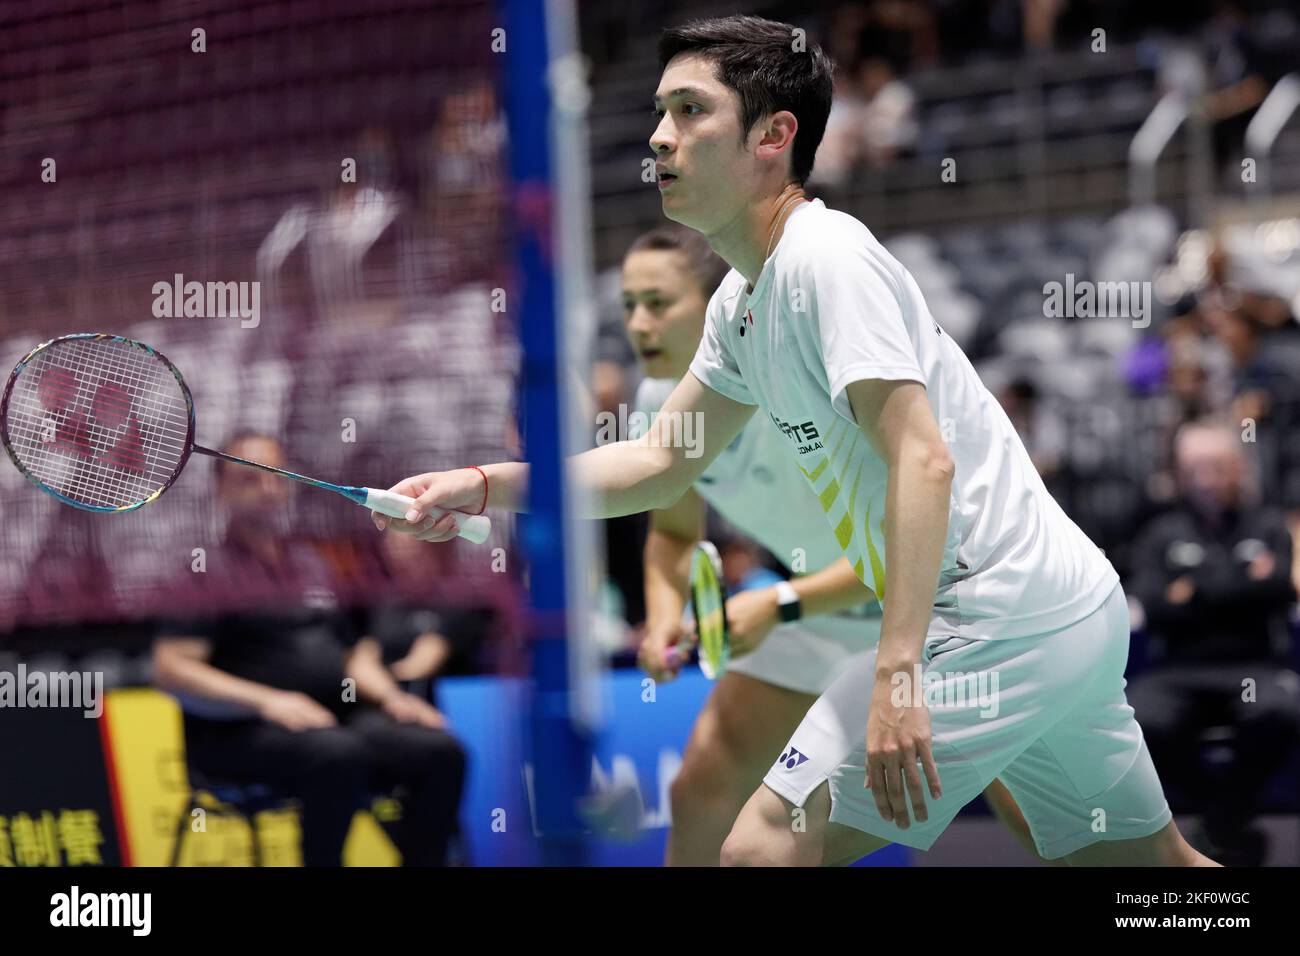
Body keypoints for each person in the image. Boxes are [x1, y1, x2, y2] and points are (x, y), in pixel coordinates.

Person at [376, 16, 1213, 866]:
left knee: (762, 849)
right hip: (1059, 604)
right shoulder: (743, 306)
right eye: (660, 111)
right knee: (1153, 875)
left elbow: (923, 458)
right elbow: (660, 464)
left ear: (774, 135)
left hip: (990, 610)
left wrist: (897, 673)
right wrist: (478, 484)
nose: (659, 138)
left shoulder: (825, 259)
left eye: (691, 111)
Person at [621, 224, 1048, 864]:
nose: (638, 323)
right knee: (703, 784)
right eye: (628, 304)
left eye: (658, 303)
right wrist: (660, 621)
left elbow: (907, 534)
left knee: (1043, 820)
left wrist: (781, 604)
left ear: (712, 303)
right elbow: (674, 530)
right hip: (808, 614)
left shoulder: (791, 384)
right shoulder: (661, 405)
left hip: (922, 610)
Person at [153, 433, 466, 866]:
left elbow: (352, 654)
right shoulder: (204, 570)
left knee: (439, 751)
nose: (265, 490)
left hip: (335, 718)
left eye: (273, 478)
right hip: (241, 731)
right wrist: (271, 701)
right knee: (337, 754)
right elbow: (171, 668)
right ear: (220, 490)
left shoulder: (310, 563)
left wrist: (393, 699)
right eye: (248, 479)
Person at [1126, 419, 1300, 865]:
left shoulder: (1267, 524)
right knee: (1139, 718)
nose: (1207, 480)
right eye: (1196, 470)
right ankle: (1224, 817)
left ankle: (1219, 825)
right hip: (1177, 671)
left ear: (1238, 468)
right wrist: (1240, 583)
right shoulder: (1159, 532)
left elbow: (1281, 588)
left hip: (1253, 666)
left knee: (1282, 709)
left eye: (1217, 468)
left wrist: (1193, 589)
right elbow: (1154, 604)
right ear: (1181, 475)